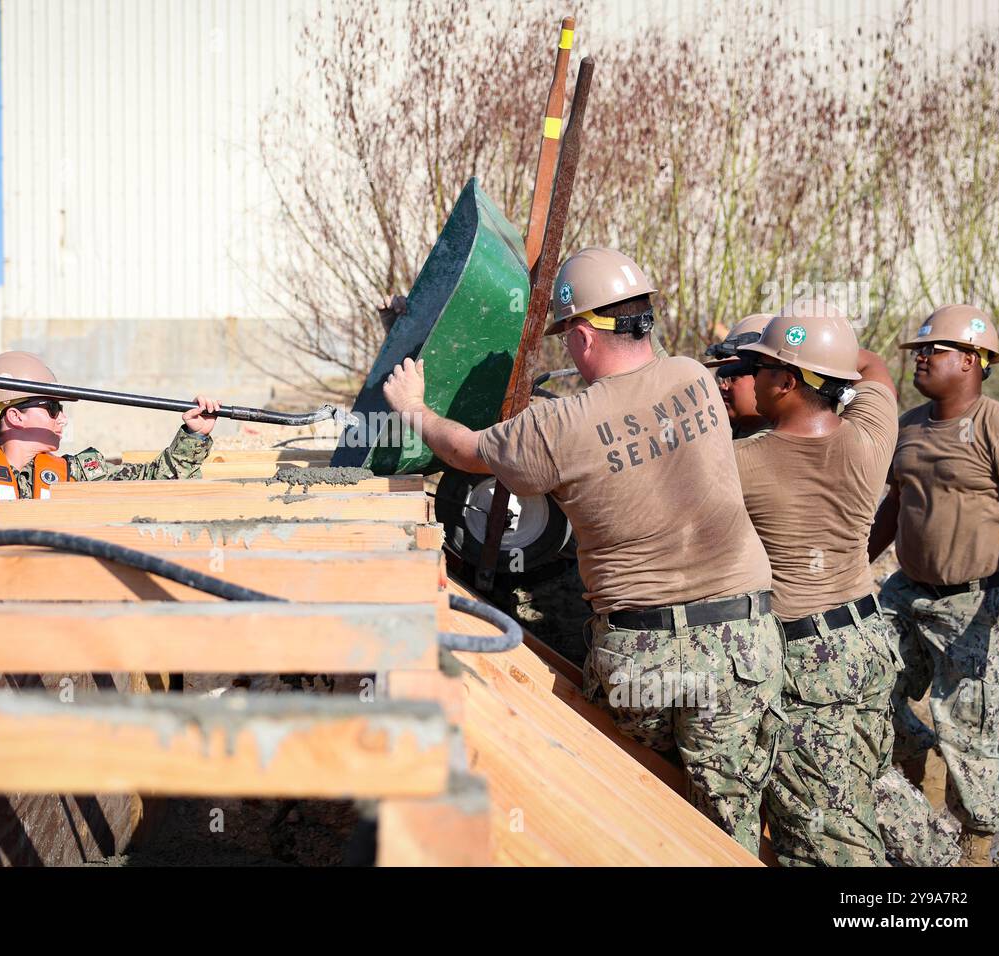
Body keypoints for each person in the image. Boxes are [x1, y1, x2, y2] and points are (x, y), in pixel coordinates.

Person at [382, 247, 783, 855]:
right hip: (744, 644)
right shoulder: (696, 380)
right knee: (725, 832)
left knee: (629, 809)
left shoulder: (558, 427)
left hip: (644, 652)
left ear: (586, 333)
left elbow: (468, 451)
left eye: (568, 333)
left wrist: (413, 408)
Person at [734, 300, 956, 867]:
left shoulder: (740, 464)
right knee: (861, 776)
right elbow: (874, 366)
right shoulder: (871, 434)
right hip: (865, 637)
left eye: (759, 367)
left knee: (819, 832)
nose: (750, 378)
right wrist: (822, 349)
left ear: (785, 381)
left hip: (808, 661)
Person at [868, 304, 999, 867]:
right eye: (919, 351)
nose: (923, 358)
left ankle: (977, 844)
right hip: (907, 590)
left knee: (969, 727)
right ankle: (914, 791)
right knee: (867, 684)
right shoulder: (907, 427)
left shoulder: (998, 425)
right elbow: (895, 503)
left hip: (979, 599)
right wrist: (855, 564)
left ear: (975, 361)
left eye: (936, 350)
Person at [0, 351, 220, 525]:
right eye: (51, 407)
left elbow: (152, 486)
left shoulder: (75, 474)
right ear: (14, 416)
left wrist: (194, 434)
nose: (62, 417)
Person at [704, 313, 773, 439]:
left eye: (733, 377)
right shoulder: (727, 431)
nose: (723, 386)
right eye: (722, 378)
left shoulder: (771, 444)